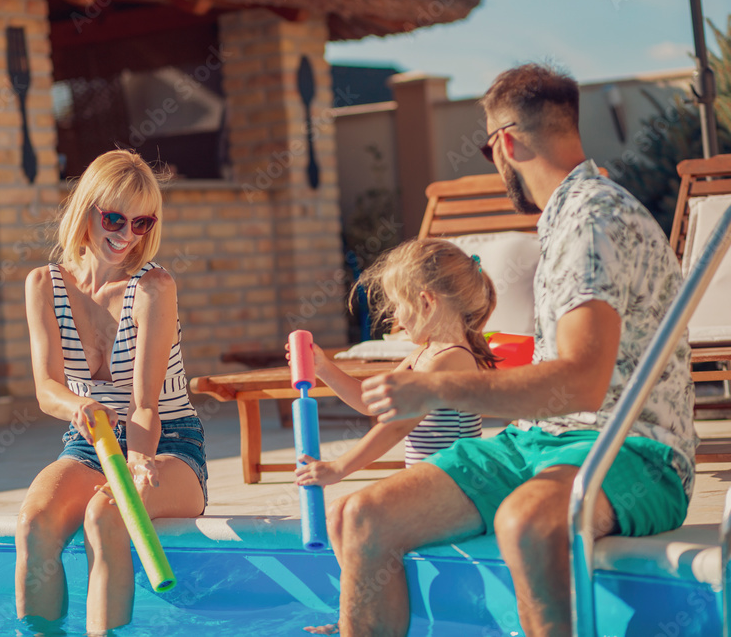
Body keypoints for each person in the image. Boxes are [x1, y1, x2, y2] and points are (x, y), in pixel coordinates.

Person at [323, 64, 697, 637]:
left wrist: (437, 384)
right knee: (361, 517)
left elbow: (582, 384)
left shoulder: (593, 220)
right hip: (543, 440)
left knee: (526, 521)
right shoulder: (565, 219)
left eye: (487, 150)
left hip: (636, 451)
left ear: (506, 142)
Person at [14, 149, 208, 634]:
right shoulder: (44, 283)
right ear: (87, 210)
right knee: (35, 524)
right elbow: (47, 388)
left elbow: (145, 404)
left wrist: (139, 465)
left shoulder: (153, 288)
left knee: (106, 514)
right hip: (89, 443)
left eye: (141, 223)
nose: (126, 235)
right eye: (115, 217)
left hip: (168, 443)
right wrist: (80, 404)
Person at [292, 239, 497, 491]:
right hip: (431, 483)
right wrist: (322, 367)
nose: (396, 317)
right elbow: (370, 403)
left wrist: (339, 468)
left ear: (426, 303)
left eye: (399, 305)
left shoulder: (451, 360)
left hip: (458, 485)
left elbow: (398, 425)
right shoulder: (421, 355)